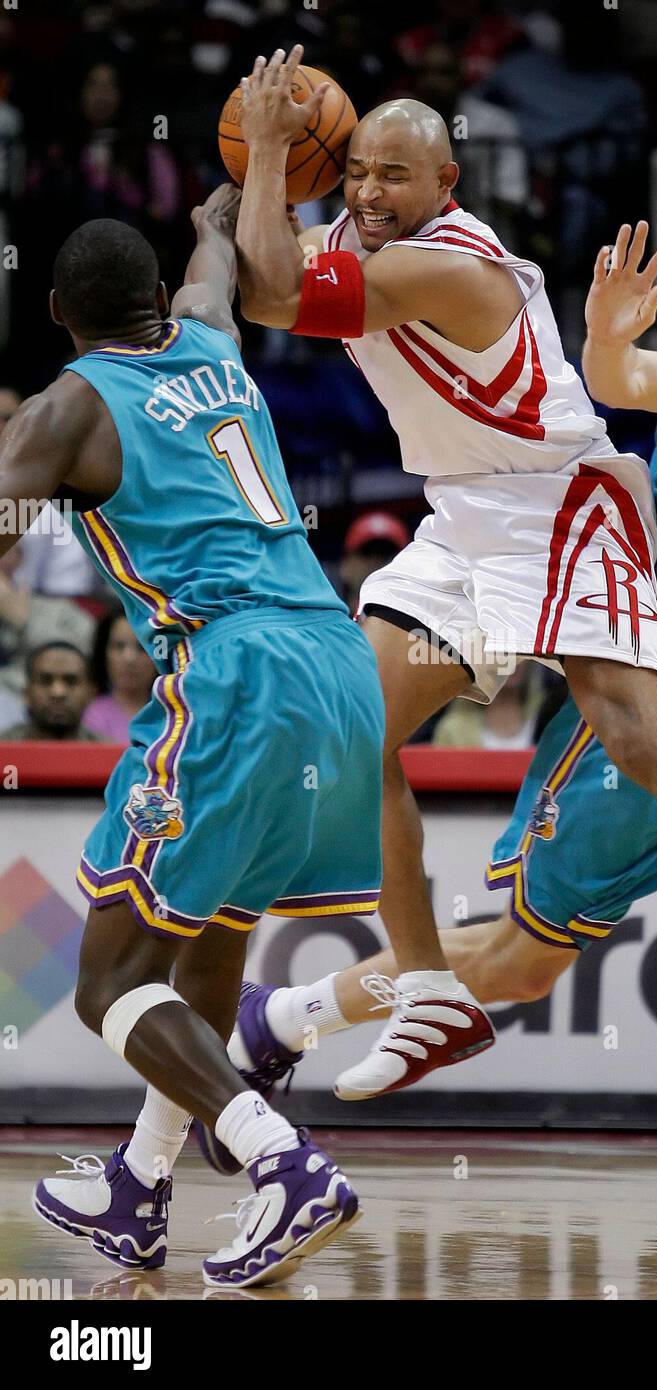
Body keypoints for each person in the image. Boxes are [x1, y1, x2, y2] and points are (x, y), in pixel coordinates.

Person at [210, 182, 657, 1128]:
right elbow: (629, 385)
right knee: (519, 961)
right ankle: (292, 1015)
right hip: (652, 716)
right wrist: (609, 342)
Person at [0, 174, 383, 1287]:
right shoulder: (212, 336)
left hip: (233, 668)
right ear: (158, 297)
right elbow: (217, 258)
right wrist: (231, 202)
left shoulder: (62, 409)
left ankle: (285, 1166)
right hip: (336, 658)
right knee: (208, 945)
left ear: (60, 318)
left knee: (110, 980)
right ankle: (141, 1183)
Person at [84, 608, 157, 742]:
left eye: (142, 648)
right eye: (119, 646)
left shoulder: (175, 715)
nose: (129, 658)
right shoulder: (88, 716)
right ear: (103, 652)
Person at [0, 641, 98, 740]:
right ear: (26, 693)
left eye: (70, 682)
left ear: (90, 695)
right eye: (45, 681)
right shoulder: (3, 746)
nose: (58, 692)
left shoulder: (111, 752)